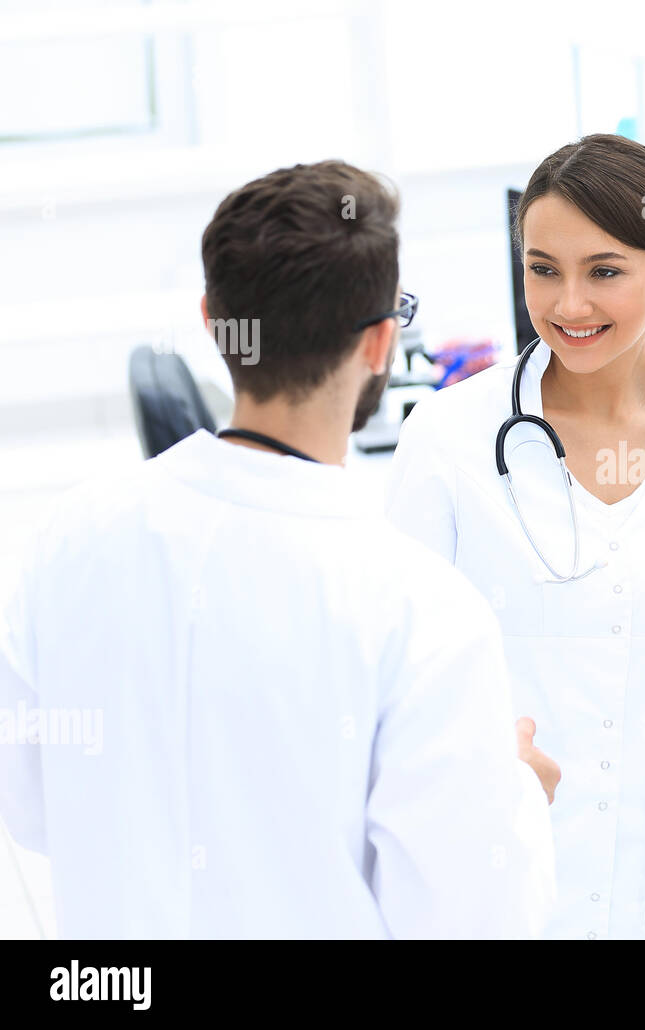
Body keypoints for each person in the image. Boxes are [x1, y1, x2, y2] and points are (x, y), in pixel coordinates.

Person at [0, 160, 557, 939]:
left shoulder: (70, 537)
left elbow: (31, 807)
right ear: (380, 344)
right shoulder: (420, 611)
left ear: (212, 318)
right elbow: (469, 921)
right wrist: (516, 798)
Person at [386, 134, 645, 939]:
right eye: (543, 269)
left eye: (603, 272)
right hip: (494, 860)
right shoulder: (448, 437)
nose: (568, 305)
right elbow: (393, 667)